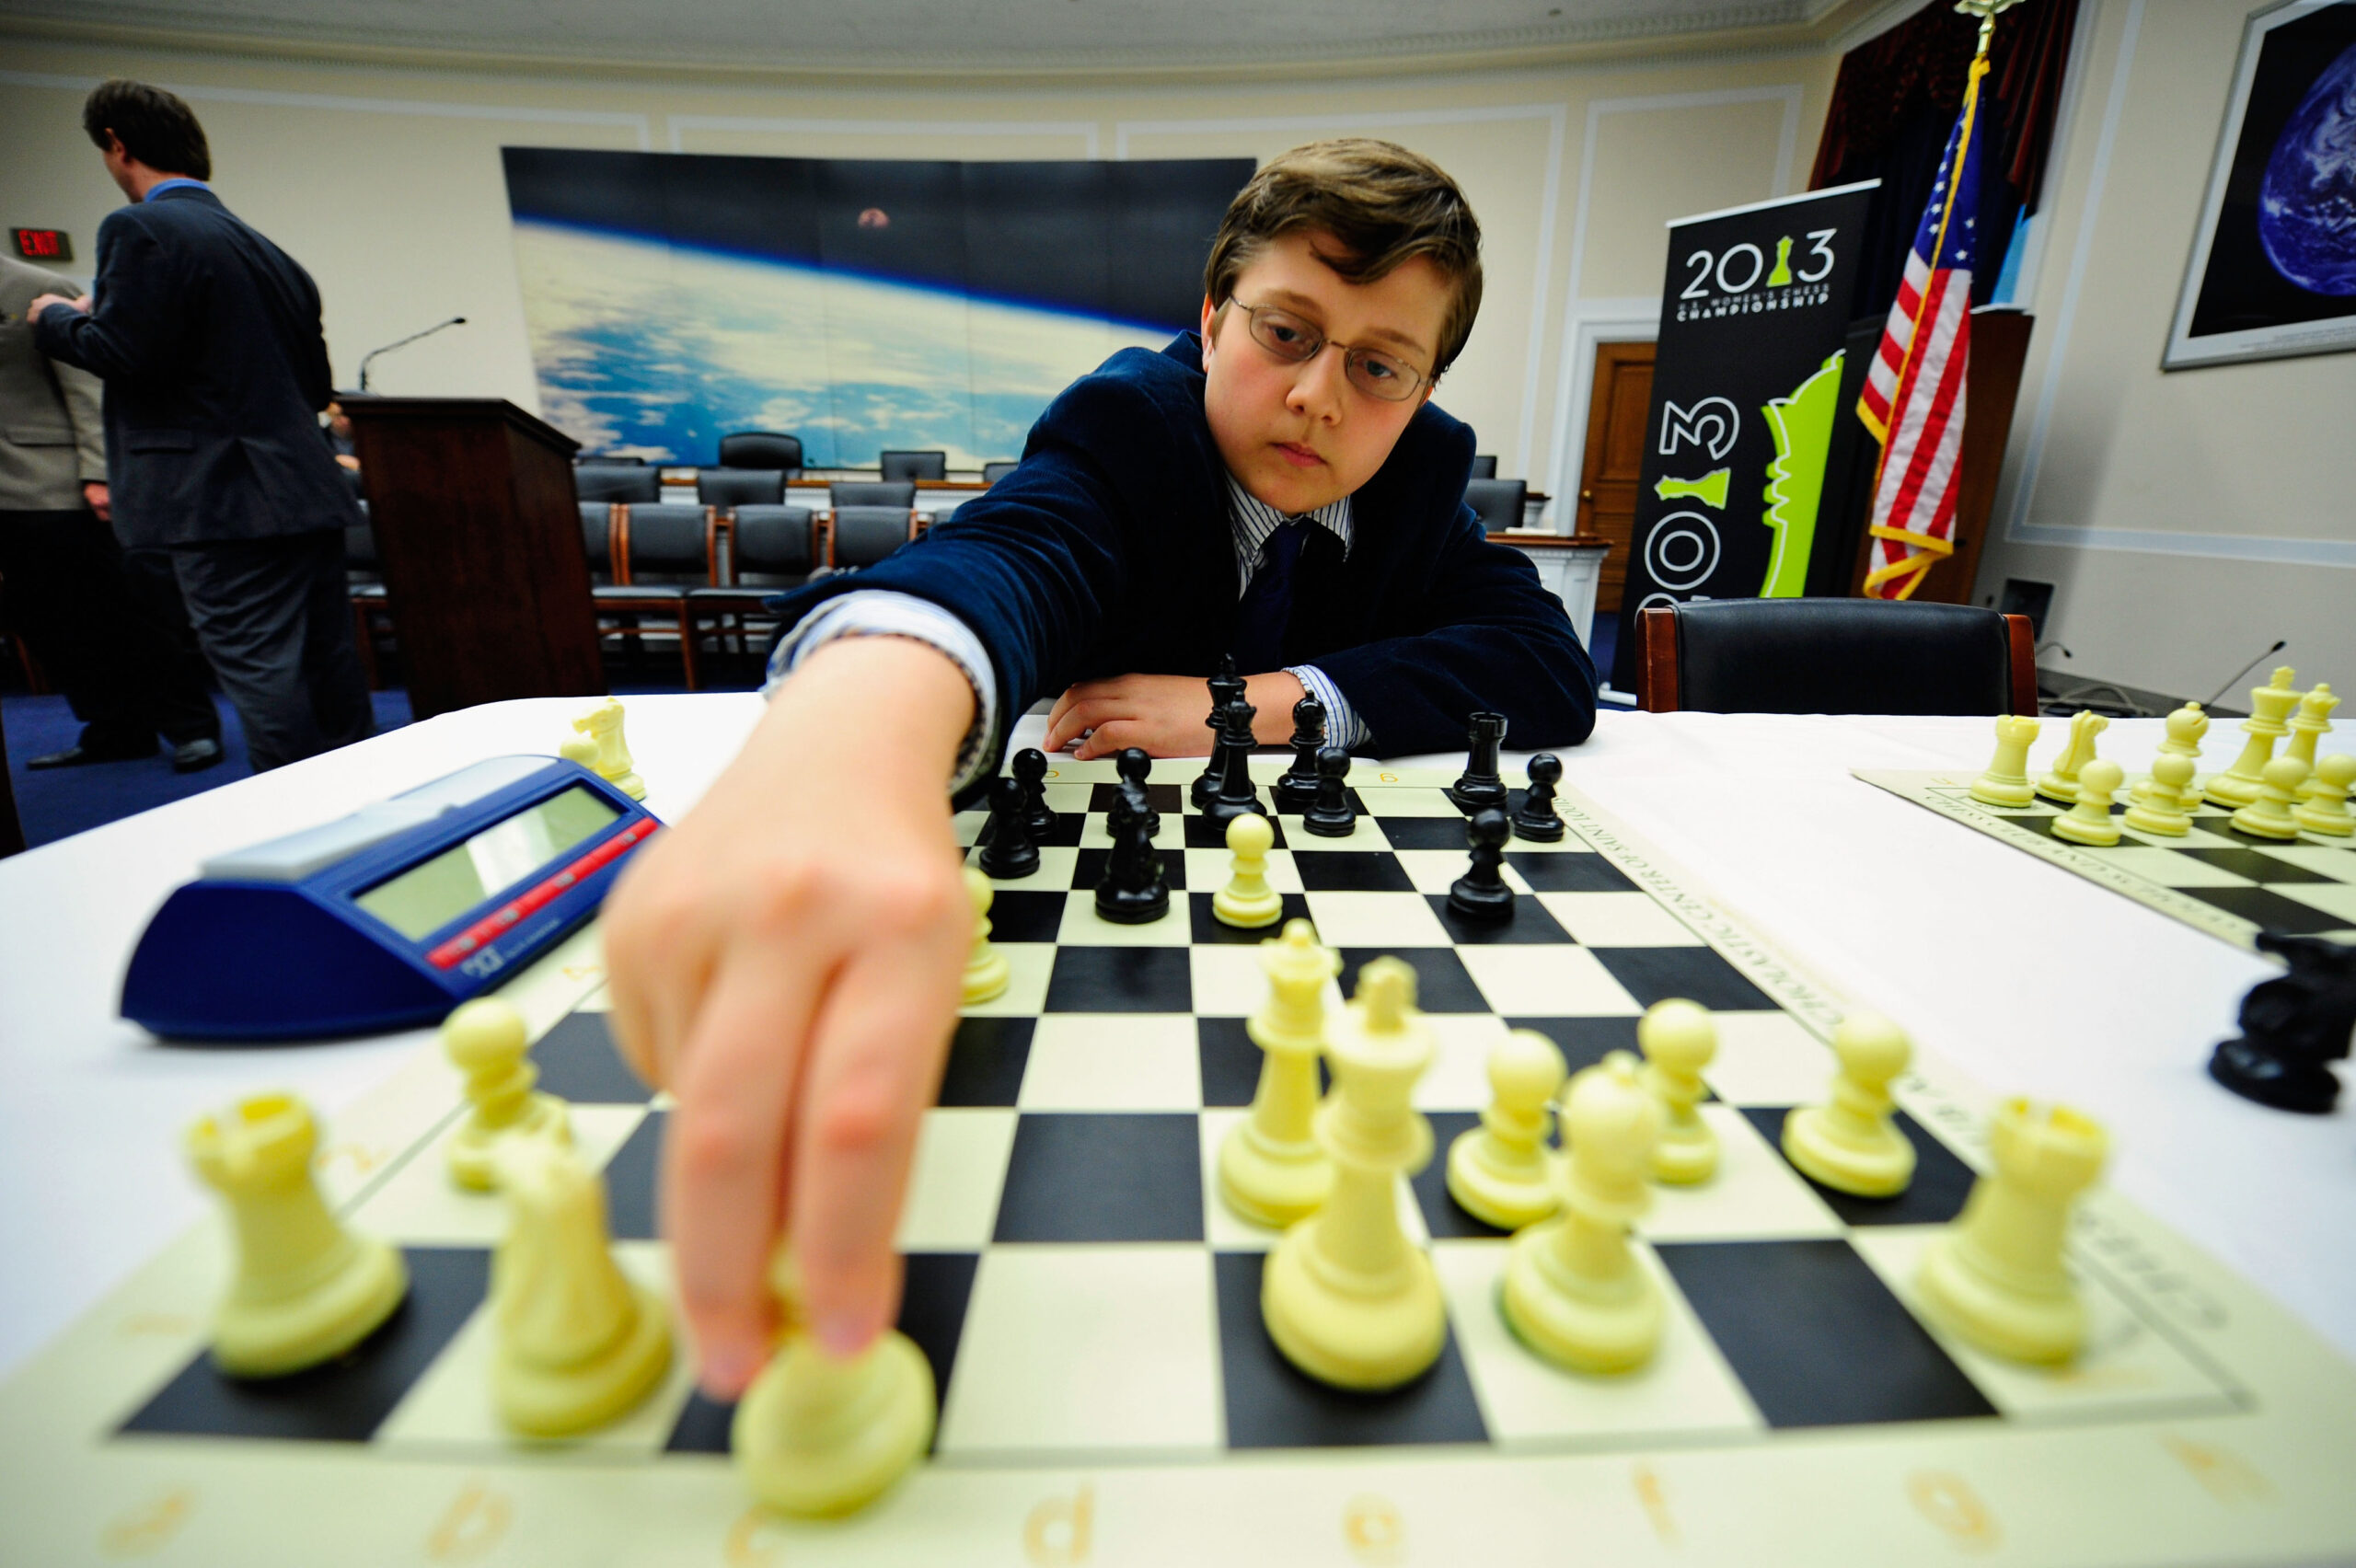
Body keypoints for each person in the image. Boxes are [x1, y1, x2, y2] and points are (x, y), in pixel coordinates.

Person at [600, 140, 1597, 1399]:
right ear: (1210, 314)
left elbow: (1543, 662)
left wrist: (1245, 706)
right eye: (1285, 331)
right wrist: (851, 731)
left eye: (1381, 367)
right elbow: (1013, 556)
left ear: (1422, 387)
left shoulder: (1419, 483)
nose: (1320, 399)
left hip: (1329, 946)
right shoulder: (1128, 430)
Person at [30, 79, 372, 773]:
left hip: (219, 497)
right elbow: (314, 387)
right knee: (327, 661)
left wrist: (56, 319)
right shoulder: (275, 254)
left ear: (116, 146)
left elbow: (123, 353)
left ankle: (295, 819)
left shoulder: (138, 228)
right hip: (302, 485)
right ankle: (366, 797)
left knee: (257, 661)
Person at [1, 249, 222, 771]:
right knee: (43, 620)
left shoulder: (32, 283)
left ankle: (191, 726)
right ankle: (115, 727)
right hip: (4, 496)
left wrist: (98, 472)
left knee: (121, 612)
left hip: (52, 481)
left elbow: (86, 387)